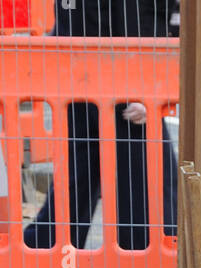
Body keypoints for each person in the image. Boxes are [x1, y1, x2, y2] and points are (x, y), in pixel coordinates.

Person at [23, 1, 178, 252]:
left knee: (127, 171)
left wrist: (159, 83)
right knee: (106, 170)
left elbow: (170, 18)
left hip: (122, 75)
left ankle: (48, 253)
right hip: (99, 73)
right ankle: (147, 261)